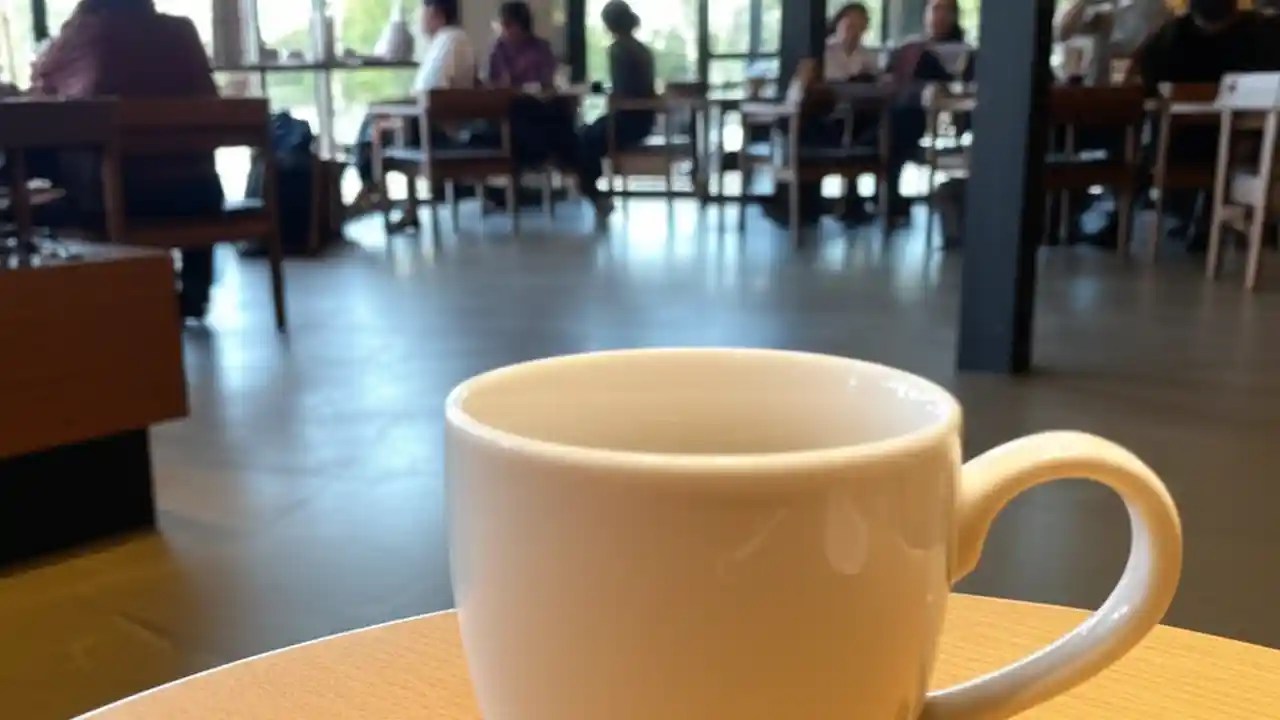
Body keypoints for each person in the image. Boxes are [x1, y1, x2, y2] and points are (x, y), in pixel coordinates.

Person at [32, 0, 222, 320]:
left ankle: (46, 295)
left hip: (121, 197)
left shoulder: (87, 32)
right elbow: (212, 107)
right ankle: (194, 289)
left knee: (33, 177)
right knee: (185, 167)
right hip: (199, 196)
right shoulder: (182, 32)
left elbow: (43, 84)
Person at [1136, 0, 1280, 249]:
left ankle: (1201, 215)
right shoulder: (1265, 34)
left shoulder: (1167, 39)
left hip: (1179, 148)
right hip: (1249, 148)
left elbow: (1146, 91)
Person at [351, 0, 477, 212]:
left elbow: (428, 93)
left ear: (434, 13)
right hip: (440, 122)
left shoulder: (447, 40)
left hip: (434, 129)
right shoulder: (456, 39)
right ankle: (373, 188)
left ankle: (371, 187)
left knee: (374, 126)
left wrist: (391, 118)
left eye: (422, 11)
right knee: (375, 119)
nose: (419, 19)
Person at [880, 0, 974, 224]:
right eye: (935, 10)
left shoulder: (966, 53)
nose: (939, 17)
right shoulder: (909, 50)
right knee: (890, 125)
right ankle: (888, 198)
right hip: (907, 113)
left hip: (943, 116)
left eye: (945, 11)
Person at [578, 0, 656, 218]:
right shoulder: (643, 50)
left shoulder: (618, 50)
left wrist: (608, 95)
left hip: (626, 120)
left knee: (583, 138)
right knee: (587, 134)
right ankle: (595, 193)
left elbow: (623, 92)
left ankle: (594, 193)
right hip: (644, 119)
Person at [1056, 0, 1171, 86]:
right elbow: (1061, 33)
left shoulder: (1151, 6)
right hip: (1074, 86)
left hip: (1125, 90)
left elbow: (1154, 43)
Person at [487, 1, 557, 88]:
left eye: (508, 25)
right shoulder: (499, 49)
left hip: (535, 95)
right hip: (503, 95)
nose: (504, 30)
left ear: (522, 25)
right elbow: (491, 83)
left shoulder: (541, 49)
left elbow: (547, 83)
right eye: (502, 25)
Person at [825, 3, 880, 82]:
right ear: (838, 23)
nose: (854, 32)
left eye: (860, 27)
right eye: (851, 26)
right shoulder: (823, 52)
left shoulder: (868, 57)